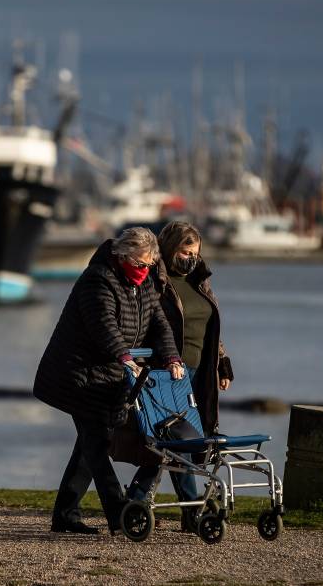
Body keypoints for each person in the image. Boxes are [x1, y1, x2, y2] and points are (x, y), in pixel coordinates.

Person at [33, 227, 183, 535]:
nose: (145, 270)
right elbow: (104, 326)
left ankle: (65, 515)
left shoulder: (146, 284)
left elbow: (159, 324)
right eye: (139, 264)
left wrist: (172, 358)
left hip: (110, 375)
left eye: (149, 265)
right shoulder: (97, 279)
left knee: (89, 444)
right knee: (97, 442)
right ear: (122, 256)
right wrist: (125, 357)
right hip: (77, 373)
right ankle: (120, 514)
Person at [123, 221, 235, 530]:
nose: (191, 258)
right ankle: (173, 504)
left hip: (199, 370)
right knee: (170, 440)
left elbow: (210, 326)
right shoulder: (155, 280)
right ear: (172, 249)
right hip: (166, 371)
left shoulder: (200, 279)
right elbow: (147, 323)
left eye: (196, 253)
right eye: (186, 252)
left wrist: (222, 362)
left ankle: (178, 506)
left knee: (185, 441)